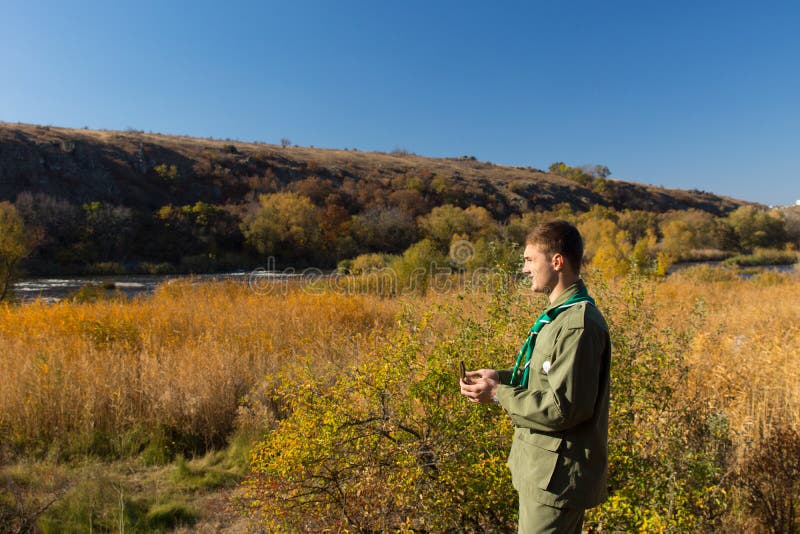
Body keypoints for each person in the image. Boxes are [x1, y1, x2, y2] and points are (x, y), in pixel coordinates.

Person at [460, 220, 611, 534]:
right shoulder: (560, 316)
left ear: (557, 261)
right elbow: (544, 380)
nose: (525, 269)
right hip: (545, 474)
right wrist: (499, 377)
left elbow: (563, 408)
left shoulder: (577, 324)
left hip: (555, 479)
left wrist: (498, 393)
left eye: (530, 260)